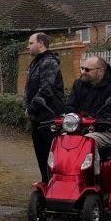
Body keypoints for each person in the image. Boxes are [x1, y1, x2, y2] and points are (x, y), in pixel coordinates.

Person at [24, 32, 65, 183]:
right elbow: (29, 89)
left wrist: (31, 108)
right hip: (37, 116)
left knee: (50, 154)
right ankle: (46, 183)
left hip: (49, 116)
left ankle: (55, 184)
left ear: (41, 43)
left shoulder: (49, 62)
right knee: (40, 153)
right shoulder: (35, 62)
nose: (28, 46)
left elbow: (45, 89)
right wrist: (27, 106)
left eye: (31, 43)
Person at [64, 55, 111, 149]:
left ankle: (93, 160)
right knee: (60, 139)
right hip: (78, 128)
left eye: (87, 70)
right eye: (82, 68)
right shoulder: (79, 84)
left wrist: (96, 123)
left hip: (106, 131)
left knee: (88, 142)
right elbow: (70, 107)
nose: (83, 72)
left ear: (100, 71)